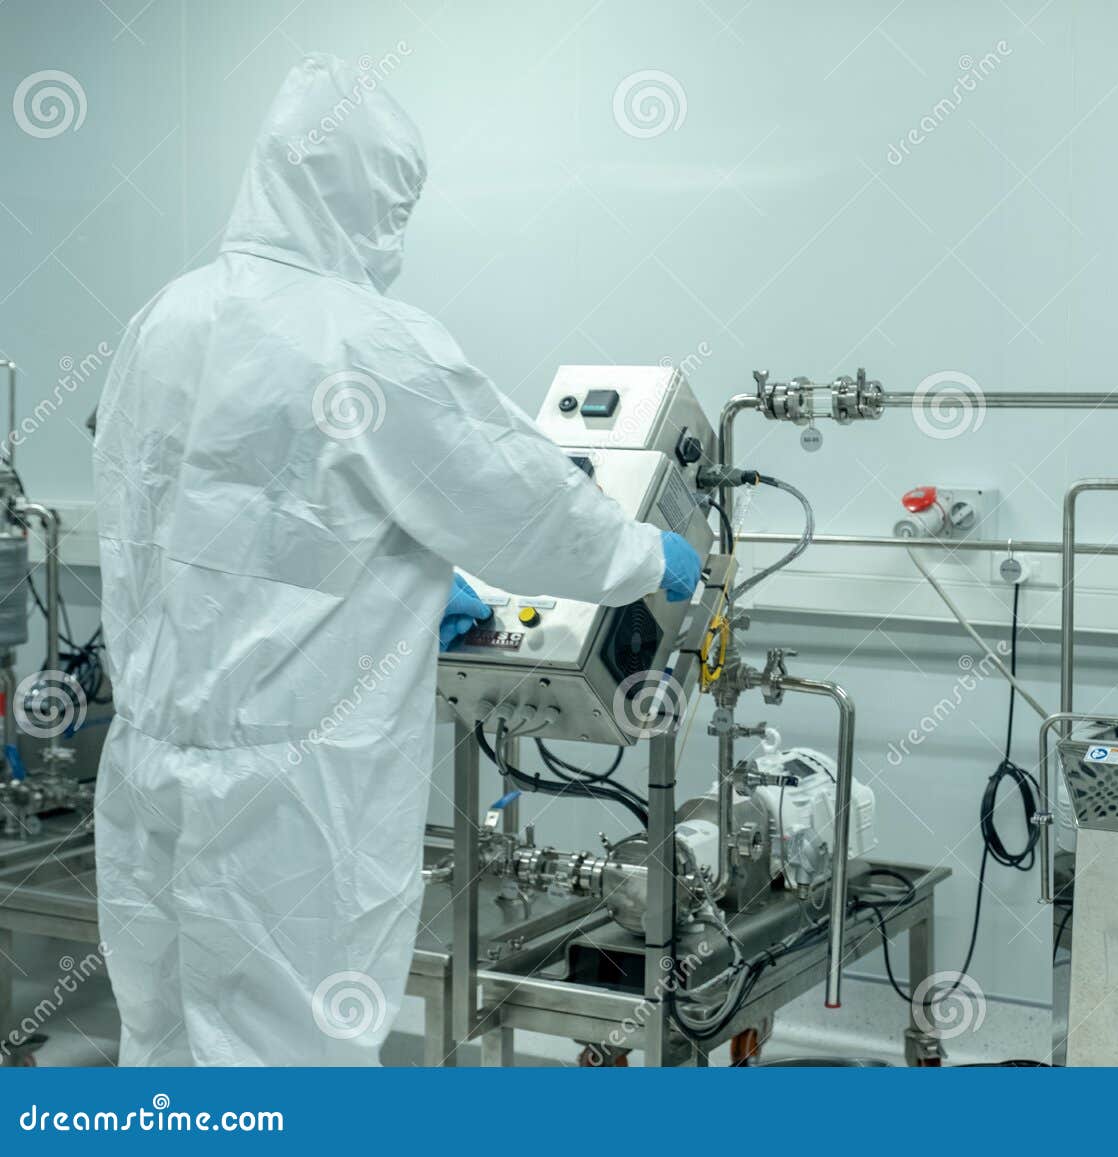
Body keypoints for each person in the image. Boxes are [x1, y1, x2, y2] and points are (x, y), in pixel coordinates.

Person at [91, 53, 702, 1066]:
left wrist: (396, 585)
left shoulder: (167, 316)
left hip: (150, 764)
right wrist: (646, 554)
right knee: (290, 1056)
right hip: (294, 793)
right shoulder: (366, 339)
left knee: (162, 1041)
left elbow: (206, 519)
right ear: (369, 190)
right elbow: (526, 504)